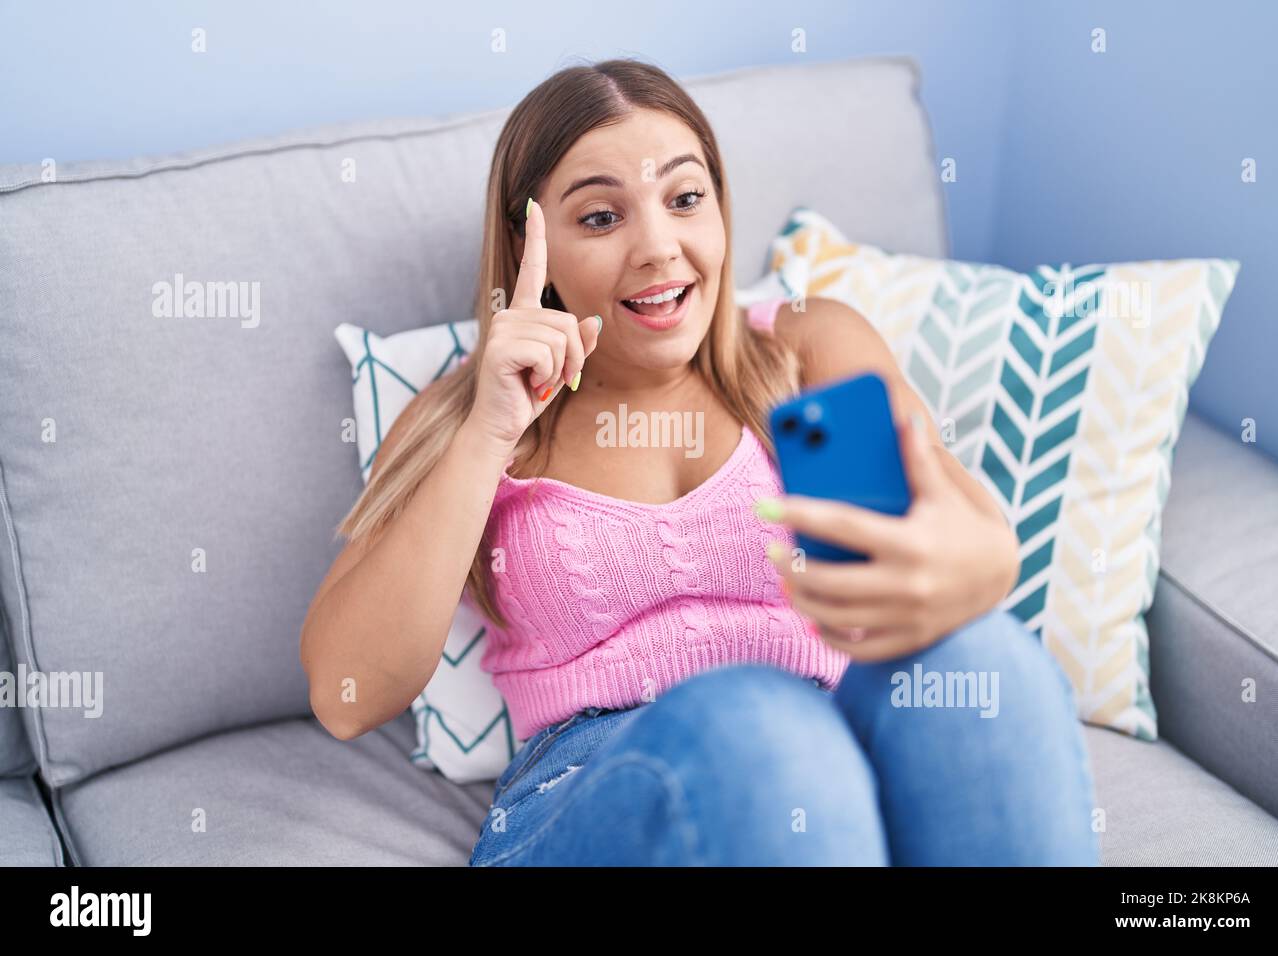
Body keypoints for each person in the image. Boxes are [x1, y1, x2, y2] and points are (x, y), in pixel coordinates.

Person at [299, 58, 1100, 866]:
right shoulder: (462, 419)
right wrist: (487, 433)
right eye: (603, 217)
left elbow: (972, 539)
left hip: (836, 763)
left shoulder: (799, 351)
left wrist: (970, 567)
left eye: (685, 199)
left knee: (988, 664)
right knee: (761, 727)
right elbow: (346, 697)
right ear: (526, 244)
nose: (658, 247)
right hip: (598, 789)